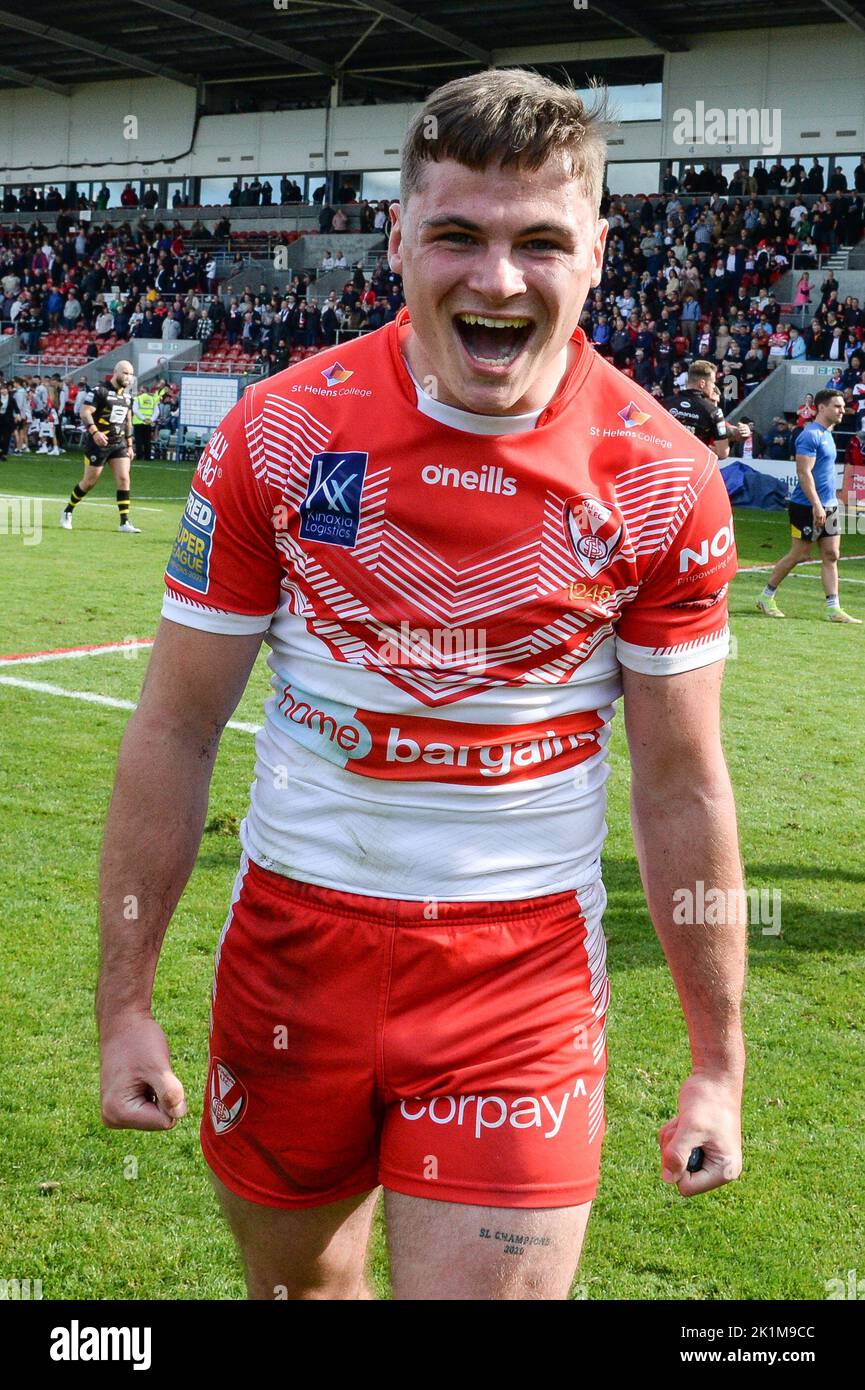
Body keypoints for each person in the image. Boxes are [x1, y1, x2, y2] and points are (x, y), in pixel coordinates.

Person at [97, 69, 746, 1304]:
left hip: (521, 983)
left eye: (539, 242)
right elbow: (175, 729)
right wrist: (125, 1002)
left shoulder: (662, 480)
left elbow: (680, 786)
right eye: (457, 234)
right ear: (396, 237)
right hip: (292, 954)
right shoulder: (279, 438)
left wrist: (716, 1059)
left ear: (597, 254)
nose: (497, 280)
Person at [757, 389, 860, 623]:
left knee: (832, 554)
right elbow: (803, 473)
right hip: (807, 506)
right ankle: (766, 596)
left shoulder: (827, 434)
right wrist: (816, 505)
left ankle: (834, 608)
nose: (842, 410)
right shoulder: (809, 435)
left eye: (843, 407)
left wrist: (829, 502)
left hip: (830, 505)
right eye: (837, 406)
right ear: (821, 408)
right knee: (800, 554)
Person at [59, 361, 140, 533]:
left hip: (118, 444)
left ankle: (124, 522)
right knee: (89, 482)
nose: (128, 377)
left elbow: (128, 422)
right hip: (97, 444)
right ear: (115, 372)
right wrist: (95, 433)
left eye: (131, 374)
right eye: (125, 373)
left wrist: (130, 444)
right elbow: (85, 412)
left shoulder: (128, 397)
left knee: (124, 478)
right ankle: (68, 510)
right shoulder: (99, 391)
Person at [661, 359, 749, 460]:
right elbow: (722, 453)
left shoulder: (664, 404)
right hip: (693, 467)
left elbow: (730, 430)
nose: (713, 386)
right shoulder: (712, 412)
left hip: (664, 464)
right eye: (713, 382)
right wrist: (705, 450)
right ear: (702, 383)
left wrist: (743, 430)